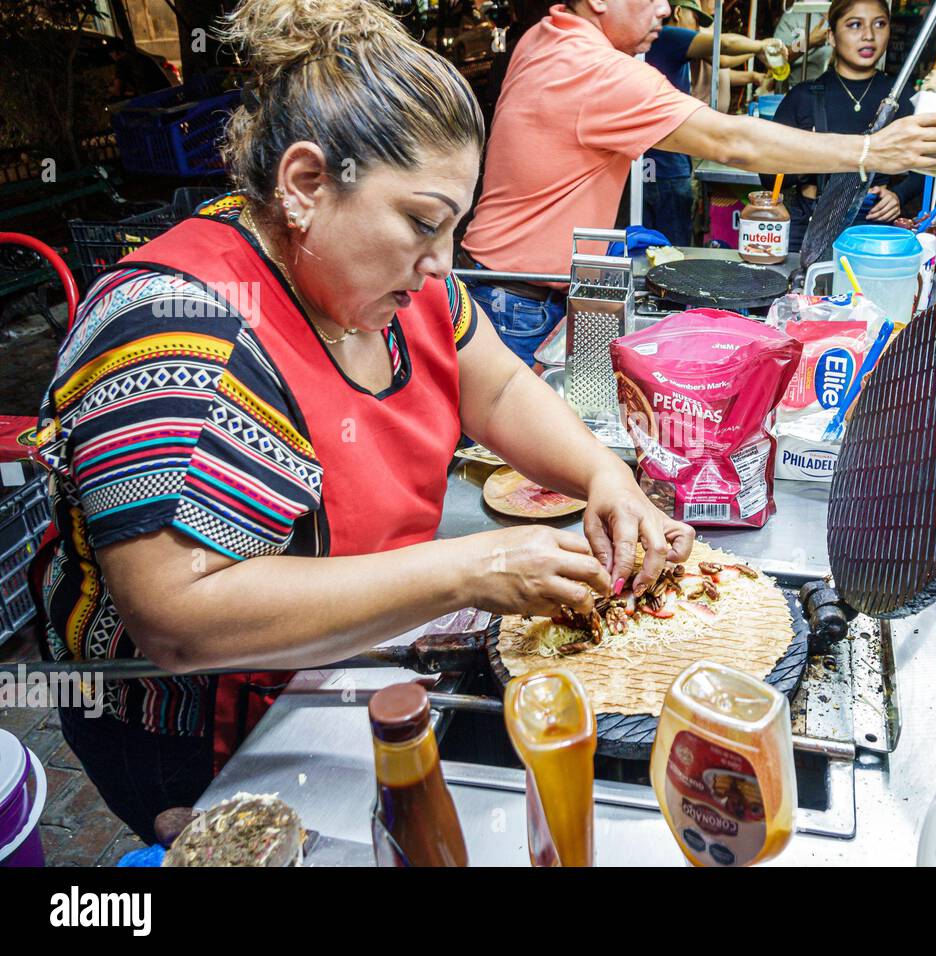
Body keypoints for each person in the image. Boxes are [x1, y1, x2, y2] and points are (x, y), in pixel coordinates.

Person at [34, 0, 695, 843]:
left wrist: (606, 474)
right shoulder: (171, 326)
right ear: (307, 185)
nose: (441, 263)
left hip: (340, 663)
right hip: (201, 727)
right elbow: (177, 616)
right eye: (423, 223)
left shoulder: (405, 291)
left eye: (453, 225)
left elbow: (490, 389)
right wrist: (473, 567)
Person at [459, 0, 936, 364]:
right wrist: (870, 151)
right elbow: (731, 141)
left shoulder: (546, 35)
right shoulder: (597, 71)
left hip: (494, 284)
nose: (665, 8)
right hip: (516, 306)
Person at [767, 0, 925, 252]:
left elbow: (928, 167)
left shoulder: (901, 98)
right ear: (831, 36)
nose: (869, 36)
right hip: (808, 227)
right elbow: (768, 176)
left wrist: (899, 195)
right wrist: (808, 155)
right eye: (854, 25)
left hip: (871, 229)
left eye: (880, 24)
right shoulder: (803, 96)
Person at [643, 14, 784, 244]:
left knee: (641, 244)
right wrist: (762, 45)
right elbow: (723, 43)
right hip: (668, 167)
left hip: (644, 167)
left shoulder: (642, 46)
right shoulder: (668, 36)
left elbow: (723, 60)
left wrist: (753, 74)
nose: (698, 28)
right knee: (671, 248)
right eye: (694, 19)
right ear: (679, 13)